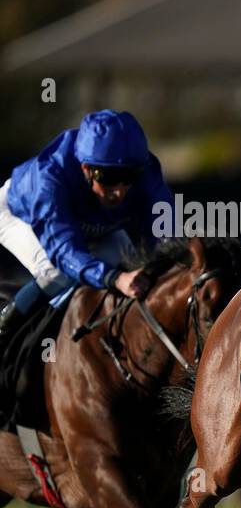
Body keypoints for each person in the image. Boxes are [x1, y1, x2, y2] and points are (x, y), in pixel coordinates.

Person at [0, 109, 170, 354]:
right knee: (57, 272)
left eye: (128, 176)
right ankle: (6, 328)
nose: (120, 191)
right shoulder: (49, 179)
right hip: (18, 214)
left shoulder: (147, 171)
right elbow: (65, 251)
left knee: (129, 259)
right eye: (108, 177)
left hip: (87, 223)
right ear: (85, 168)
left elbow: (167, 235)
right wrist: (115, 279)